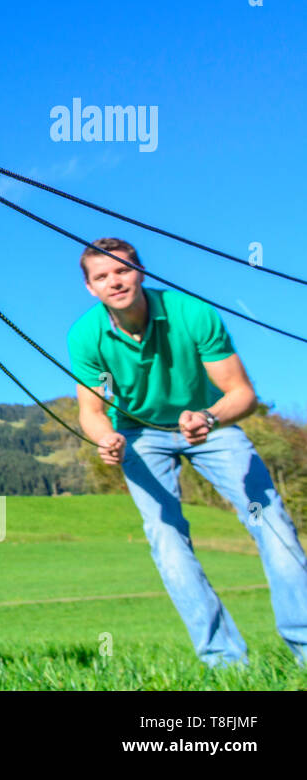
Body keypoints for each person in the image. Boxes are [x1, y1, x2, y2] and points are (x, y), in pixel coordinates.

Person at [69, 237, 307, 667]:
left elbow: (243, 394)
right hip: (140, 434)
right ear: (90, 288)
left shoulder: (191, 314)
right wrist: (105, 438)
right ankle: (224, 661)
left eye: (122, 270)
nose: (114, 281)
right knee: (166, 537)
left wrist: (210, 417)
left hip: (209, 424)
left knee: (268, 518)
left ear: (140, 272)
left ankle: (305, 645)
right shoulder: (86, 337)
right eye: (101, 276)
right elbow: (91, 411)